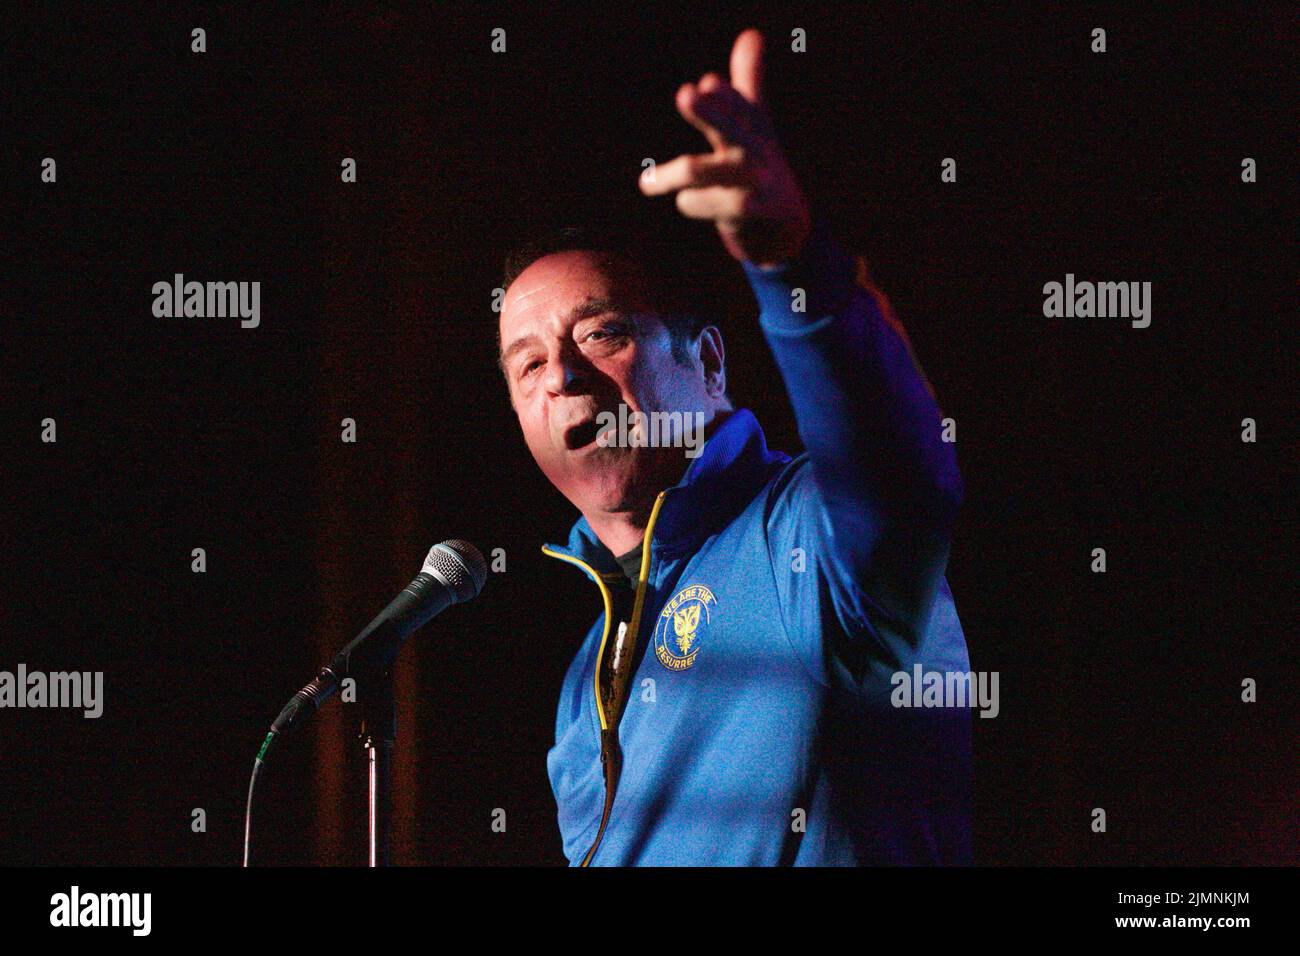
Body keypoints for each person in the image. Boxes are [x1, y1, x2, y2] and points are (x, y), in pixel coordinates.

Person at [497, 28, 970, 865]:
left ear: (709, 363)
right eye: (527, 364)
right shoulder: (582, 681)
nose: (560, 377)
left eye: (601, 334)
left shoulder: (801, 537)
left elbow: (902, 477)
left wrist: (794, 266)